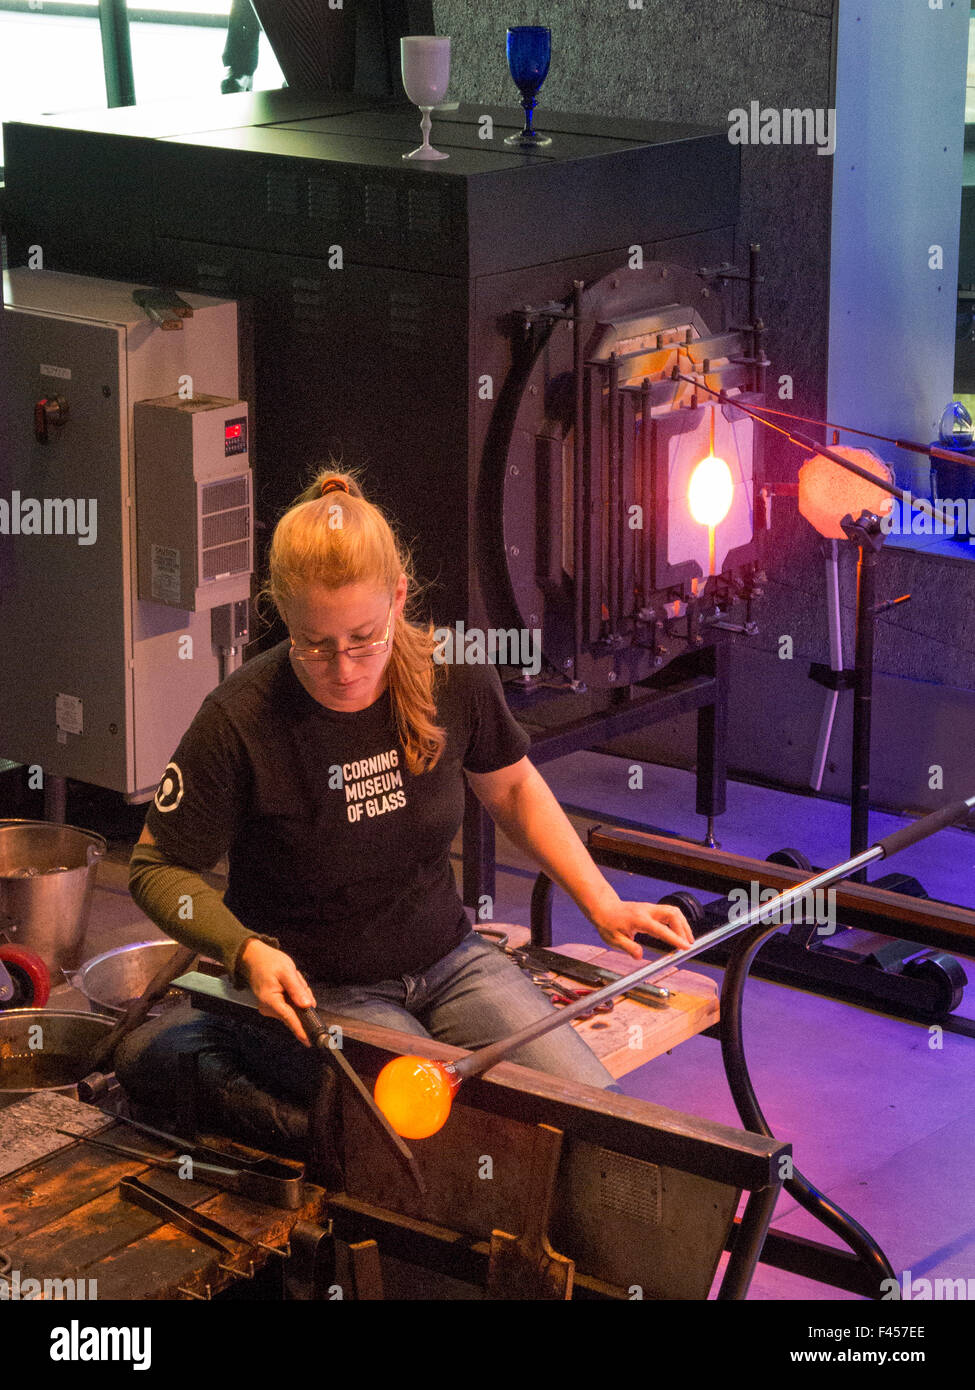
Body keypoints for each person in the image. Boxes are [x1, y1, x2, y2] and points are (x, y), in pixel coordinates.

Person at [122, 468, 692, 1127]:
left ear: (397, 597)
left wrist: (601, 901)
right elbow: (155, 869)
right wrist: (243, 948)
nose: (343, 670)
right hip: (321, 989)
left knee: (595, 1119)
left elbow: (511, 787)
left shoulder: (452, 672)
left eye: (364, 638)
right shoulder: (240, 720)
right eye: (314, 645)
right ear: (280, 611)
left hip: (450, 961)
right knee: (437, 1133)